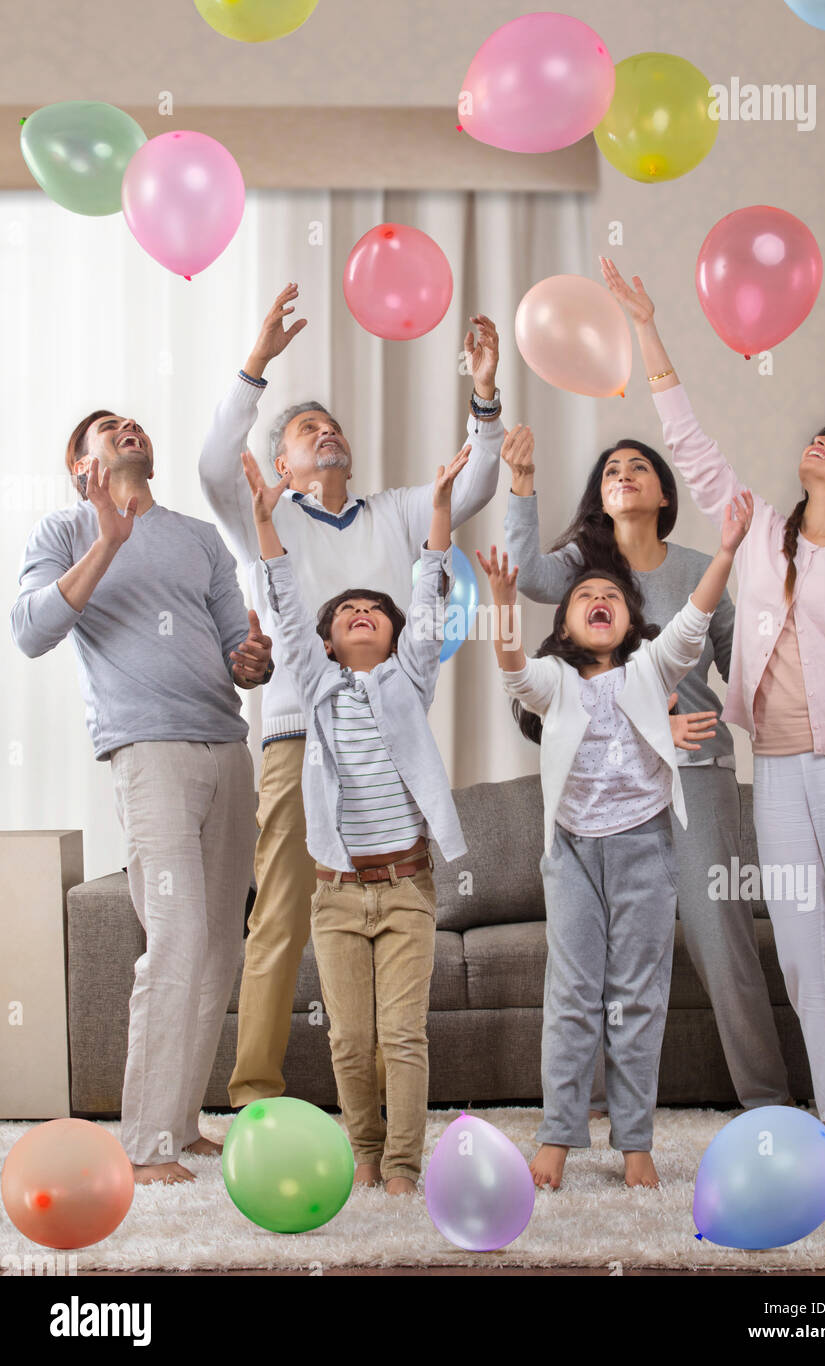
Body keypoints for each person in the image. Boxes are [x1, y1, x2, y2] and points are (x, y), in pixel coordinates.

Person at [602, 257, 825, 1141]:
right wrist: (646, 325)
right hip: (776, 770)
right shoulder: (761, 535)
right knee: (805, 958)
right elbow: (694, 447)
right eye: (822, 433)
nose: (822, 441)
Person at [199, 283, 505, 1110]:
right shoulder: (266, 514)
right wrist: (256, 362)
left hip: (391, 741)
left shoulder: (398, 512)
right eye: (306, 431)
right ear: (284, 462)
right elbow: (207, 466)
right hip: (299, 736)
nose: (324, 433)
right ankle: (255, 1094)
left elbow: (473, 487)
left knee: (398, 908)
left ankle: (382, 1114)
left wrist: (484, 395)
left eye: (330, 427)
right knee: (283, 915)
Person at [11, 411, 272, 1184]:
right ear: (79, 462)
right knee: (178, 936)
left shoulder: (196, 538)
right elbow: (29, 631)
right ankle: (144, 1145)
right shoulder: (63, 530)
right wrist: (109, 540)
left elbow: (241, 658)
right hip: (146, 749)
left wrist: (252, 659)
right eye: (106, 426)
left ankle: (180, 1124)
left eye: (132, 422)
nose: (128, 427)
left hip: (226, 748)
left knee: (220, 944)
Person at [502, 418, 791, 1113]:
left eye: (638, 467)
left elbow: (739, 672)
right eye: (610, 470)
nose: (622, 474)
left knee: (718, 938)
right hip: (607, 781)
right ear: (601, 498)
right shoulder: (581, 569)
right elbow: (526, 576)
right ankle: (596, 1109)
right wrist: (519, 485)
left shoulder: (701, 568)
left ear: (664, 493)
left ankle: (768, 1103)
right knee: (602, 945)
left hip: (694, 771)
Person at [478, 484, 752, 1190]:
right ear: (565, 626)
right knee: (572, 993)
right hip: (570, 853)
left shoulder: (649, 669)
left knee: (636, 995)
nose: (598, 597)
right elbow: (510, 668)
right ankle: (558, 1138)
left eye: (612, 596)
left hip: (644, 851)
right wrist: (505, 601)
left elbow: (692, 623)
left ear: (630, 621)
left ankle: (635, 1143)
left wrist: (723, 552)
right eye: (582, 596)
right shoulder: (553, 682)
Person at [241, 439, 469, 1194]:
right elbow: (281, 598)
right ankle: (364, 1155)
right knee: (349, 1037)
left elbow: (430, 594)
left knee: (401, 1035)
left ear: (397, 636)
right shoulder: (313, 686)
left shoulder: (411, 681)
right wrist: (265, 521)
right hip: (335, 895)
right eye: (347, 611)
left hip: (405, 890)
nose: (362, 611)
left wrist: (437, 511)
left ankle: (403, 1166)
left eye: (376, 608)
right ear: (327, 640)